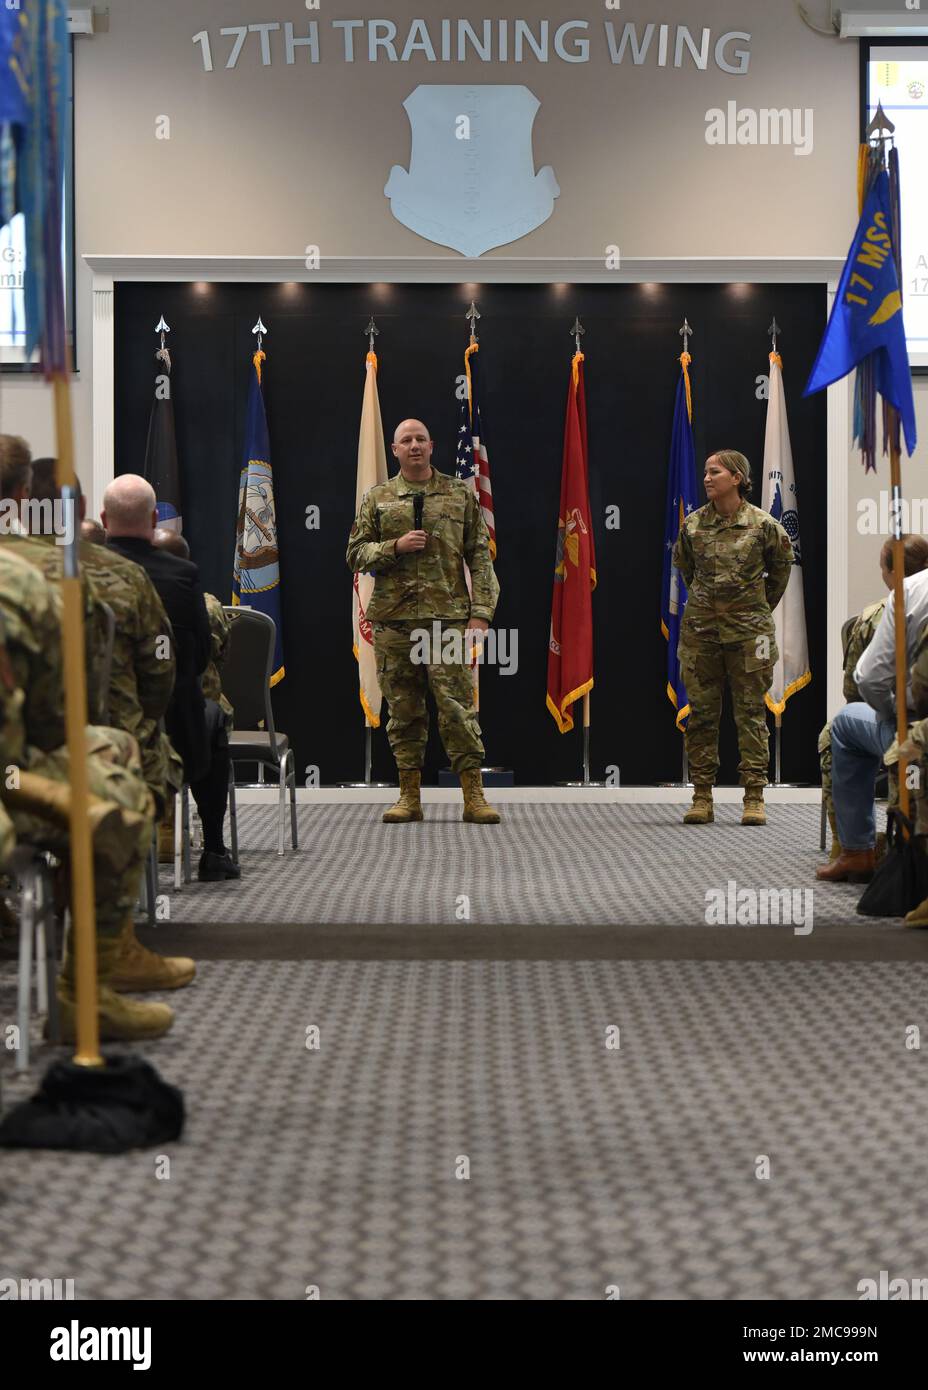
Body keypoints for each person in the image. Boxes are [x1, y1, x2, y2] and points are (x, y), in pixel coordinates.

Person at [0, 545, 177, 1040]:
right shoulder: (21, 585)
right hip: (12, 779)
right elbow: (51, 722)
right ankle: (88, 990)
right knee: (121, 791)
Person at [346, 418, 501, 823]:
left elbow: (481, 557)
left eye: (420, 439)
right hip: (393, 623)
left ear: (431, 446)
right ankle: (409, 797)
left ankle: (474, 797)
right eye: (405, 441)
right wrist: (393, 546)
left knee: (457, 709)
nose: (413, 446)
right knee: (404, 710)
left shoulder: (458, 494)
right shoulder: (377, 498)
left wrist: (481, 614)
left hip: (447, 620)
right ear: (394, 450)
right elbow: (354, 554)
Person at [104, 476, 239, 880]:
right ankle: (213, 851)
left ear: (103, 519)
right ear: (151, 518)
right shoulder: (182, 576)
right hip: (172, 728)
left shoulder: (80, 573)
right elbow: (197, 659)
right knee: (213, 719)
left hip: (95, 730)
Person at [672, 449, 793, 826]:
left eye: (715, 472)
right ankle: (702, 796)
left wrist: (752, 608)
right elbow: (687, 572)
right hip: (701, 635)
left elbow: (780, 571)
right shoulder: (692, 526)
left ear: (737, 478)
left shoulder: (764, 526)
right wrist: (712, 607)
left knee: (751, 715)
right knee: (703, 716)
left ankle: (754, 796)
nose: (707, 478)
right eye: (706, 472)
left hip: (749, 635)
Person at [818, 545, 928, 883]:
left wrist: (895, 709)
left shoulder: (906, 596)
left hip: (915, 727)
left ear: (890, 573)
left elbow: (862, 681)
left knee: (843, 724)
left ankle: (855, 850)